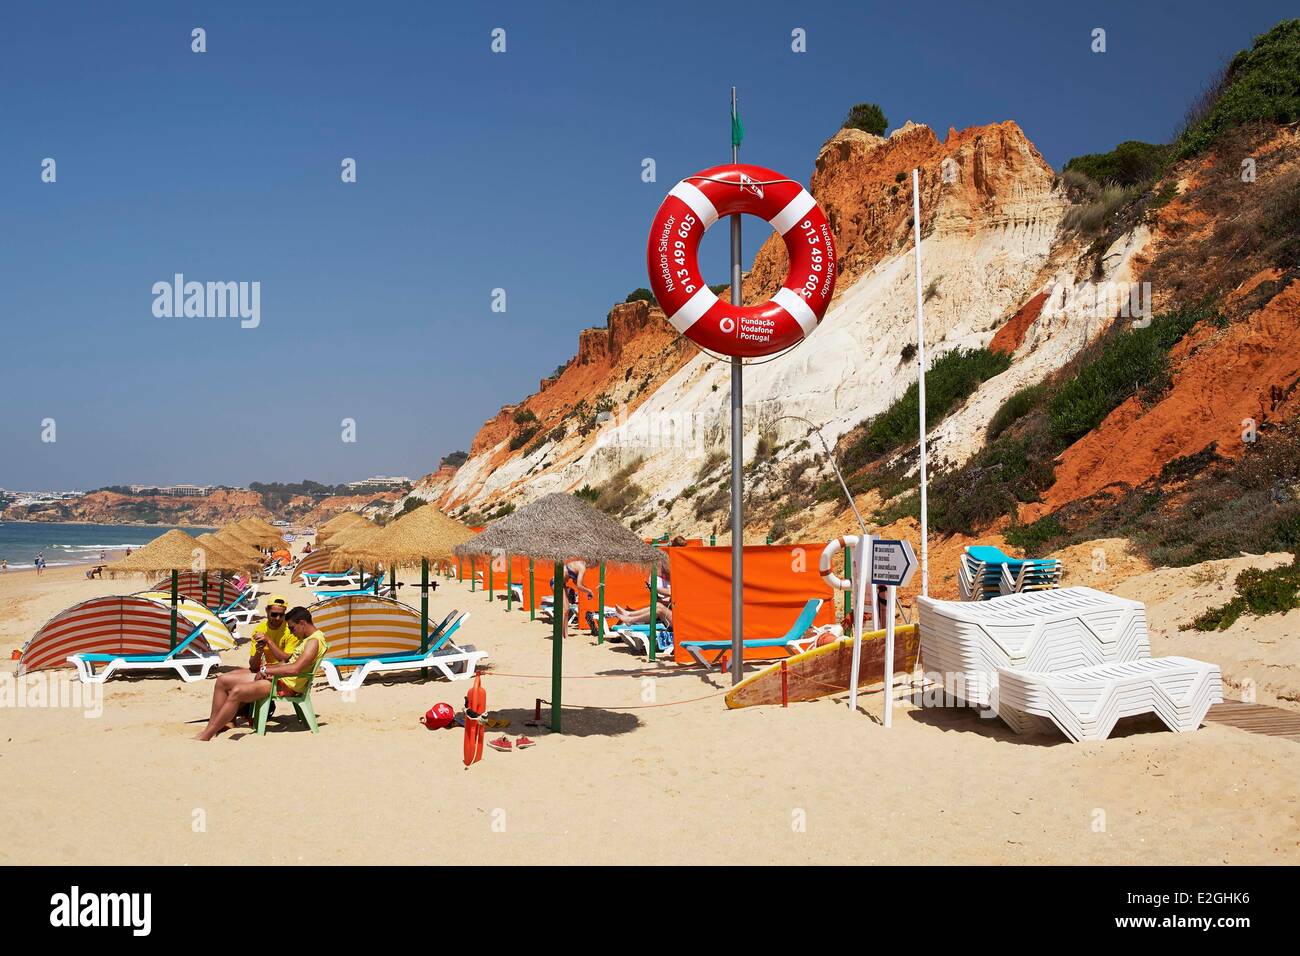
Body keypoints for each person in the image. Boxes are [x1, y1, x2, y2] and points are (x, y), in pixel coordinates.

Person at [194, 605, 328, 741]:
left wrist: (266, 670)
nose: (292, 632)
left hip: (285, 685)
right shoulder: (308, 639)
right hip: (280, 679)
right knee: (222, 681)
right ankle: (211, 727)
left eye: (292, 628)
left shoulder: (313, 642)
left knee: (237, 691)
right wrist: (267, 668)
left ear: (302, 623)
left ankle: (208, 734)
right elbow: (288, 661)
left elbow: (295, 669)